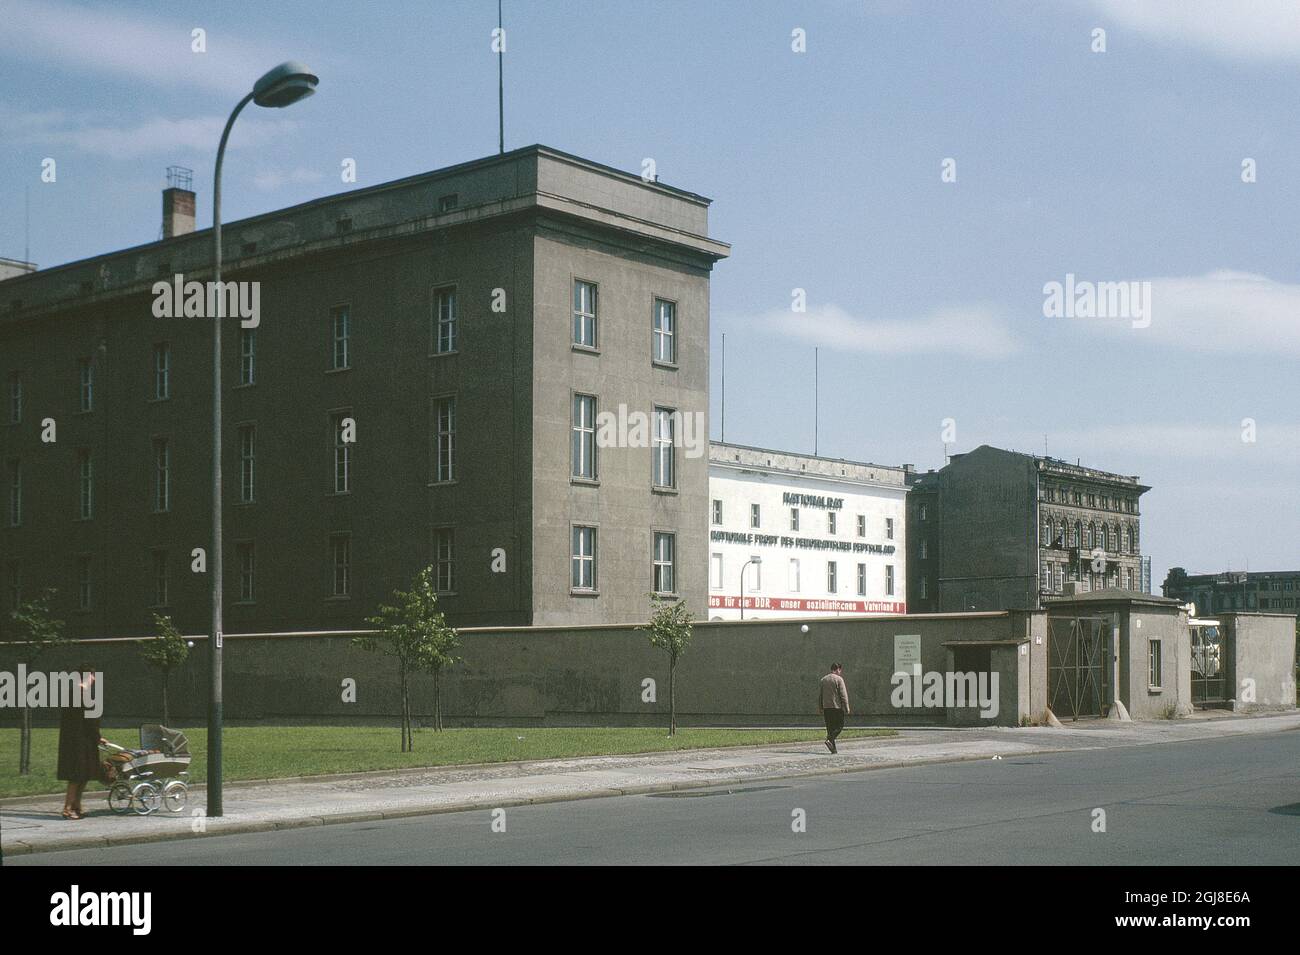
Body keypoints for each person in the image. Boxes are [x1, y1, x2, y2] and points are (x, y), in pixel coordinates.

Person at [57, 669, 106, 820]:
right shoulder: (83, 694)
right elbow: (91, 720)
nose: (94, 680)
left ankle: (76, 806)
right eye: (92, 676)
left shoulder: (70, 693)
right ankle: (67, 809)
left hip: (74, 739)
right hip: (82, 741)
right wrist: (98, 737)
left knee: (83, 775)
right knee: (77, 775)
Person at [817, 663, 850, 753]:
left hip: (827, 708)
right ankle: (830, 739)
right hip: (837, 707)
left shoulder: (823, 679)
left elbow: (820, 695)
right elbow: (843, 695)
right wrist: (846, 707)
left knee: (830, 728)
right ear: (838, 669)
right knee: (840, 725)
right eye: (840, 670)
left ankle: (833, 749)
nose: (840, 672)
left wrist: (820, 707)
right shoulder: (839, 679)